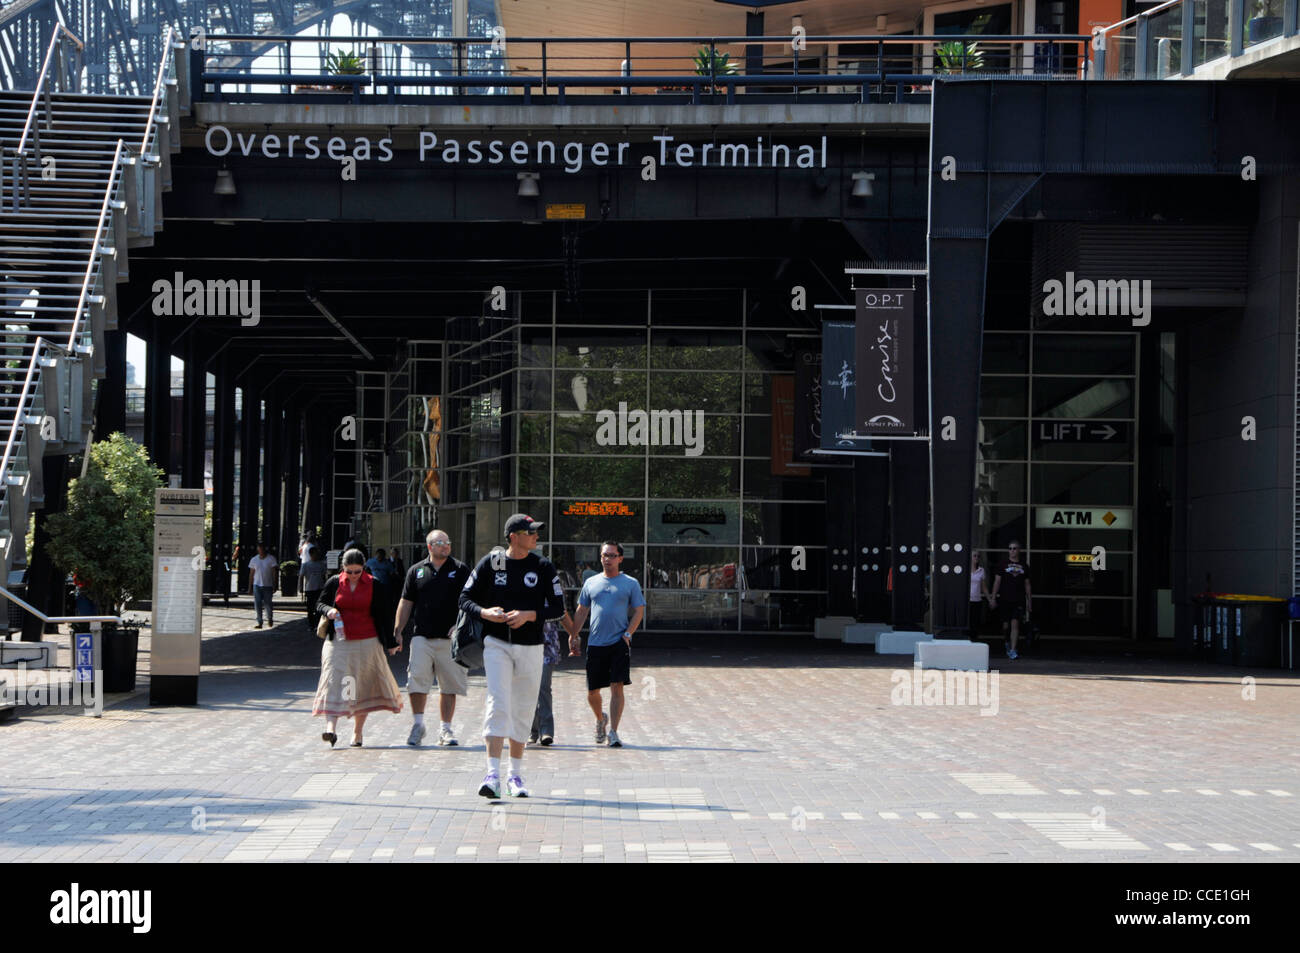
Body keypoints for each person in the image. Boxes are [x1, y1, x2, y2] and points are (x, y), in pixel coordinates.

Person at [459, 514, 565, 799]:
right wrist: (485, 612)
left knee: (523, 708)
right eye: (530, 532)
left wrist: (529, 615)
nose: (536, 537)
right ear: (513, 536)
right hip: (497, 644)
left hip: (531, 647)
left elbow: (558, 609)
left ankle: (515, 775)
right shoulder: (491, 563)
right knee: (498, 702)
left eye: (536, 532)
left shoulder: (542, 566)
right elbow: (465, 599)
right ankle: (491, 774)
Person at [313, 548, 402, 746]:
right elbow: (319, 603)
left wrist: (391, 643)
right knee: (334, 680)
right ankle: (330, 729)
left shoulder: (374, 584)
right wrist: (329, 610)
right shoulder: (334, 582)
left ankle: (357, 733)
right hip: (338, 641)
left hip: (367, 641)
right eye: (349, 571)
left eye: (357, 571)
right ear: (343, 569)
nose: (353, 576)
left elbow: (384, 615)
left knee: (360, 685)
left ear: (364, 568)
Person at [394, 529, 469, 747]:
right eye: (439, 542)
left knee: (449, 686)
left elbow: (470, 601)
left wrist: (460, 625)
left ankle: (445, 730)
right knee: (416, 681)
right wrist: (398, 631)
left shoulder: (460, 569)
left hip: (450, 639)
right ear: (429, 547)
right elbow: (406, 602)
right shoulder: (416, 571)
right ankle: (418, 725)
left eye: (447, 542)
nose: (445, 546)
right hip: (422, 637)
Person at [570, 540, 645, 748]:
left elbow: (639, 610)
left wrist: (628, 635)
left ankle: (614, 732)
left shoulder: (630, 583)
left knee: (616, 688)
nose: (607, 559)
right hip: (595, 644)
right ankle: (600, 718)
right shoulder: (591, 582)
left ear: (620, 558)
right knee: (592, 692)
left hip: (618, 643)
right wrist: (573, 634)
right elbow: (582, 610)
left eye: (612, 555)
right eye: (604, 555)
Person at [990, 540, 1032, 660]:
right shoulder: (1003, 564)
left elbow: (1027, 584)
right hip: (1004, 599)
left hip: (1018, 600)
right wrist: (993, 598)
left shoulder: (1024, 565)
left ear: (1019, 550)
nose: (1012, 550)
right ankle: (1007, 641)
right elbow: (997, 582)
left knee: (1015, 624)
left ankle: (1013, 650)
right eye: (1010, 548)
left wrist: (1029, 601)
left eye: (1014, 548)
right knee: (1005, 626)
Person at [248, 542, 278, 629]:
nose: (261, 551)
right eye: (259, 549)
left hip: (267, 585)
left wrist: (275, 584)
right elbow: (251, 574)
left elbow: (274, 572)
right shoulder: (254, 559)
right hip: (257, 584)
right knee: (257, 604)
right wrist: (250, 587)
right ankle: (259, 621)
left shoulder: (271, 559)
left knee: (268, 603)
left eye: (262, 549)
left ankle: (269, 618)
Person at [300, 545, 328, 633]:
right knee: (310, 608)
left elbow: (324, 576)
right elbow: (301, 576)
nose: (317, 555)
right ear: (311, 554)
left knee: (318, 608)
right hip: (310, 588)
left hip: (319, 588)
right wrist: (301, 588)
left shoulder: (321, 564)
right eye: (315, 554)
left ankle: (317, 624)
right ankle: (311, 625)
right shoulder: (305, 565)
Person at [969, 551, 991, 639]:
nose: (976, 558)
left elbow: (984, 587)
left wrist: (990, 599)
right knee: (967, 623)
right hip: (967, 601)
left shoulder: (981, 570)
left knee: (975, 624)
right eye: (974, 556)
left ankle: (974, 642)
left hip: (977, 601)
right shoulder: (965, 569)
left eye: (978, 556)